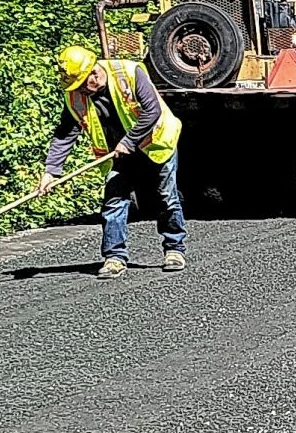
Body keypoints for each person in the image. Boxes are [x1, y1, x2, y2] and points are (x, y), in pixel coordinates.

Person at [40, 47, 187, 277]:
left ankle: (174, 249)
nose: (78, 90)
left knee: (166, 197)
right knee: (114, 202)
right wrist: (51, 171)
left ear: (94, 73)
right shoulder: (76, 96)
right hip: (117, 155)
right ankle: (114, 257)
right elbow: (65, 133)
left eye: (80, 84)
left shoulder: (129, 72)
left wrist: (129, 141)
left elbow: (152, 110)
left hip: (156, 143)